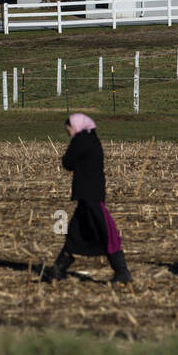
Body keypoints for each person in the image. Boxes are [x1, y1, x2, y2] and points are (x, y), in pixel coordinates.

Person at [42, 113, 132, 286]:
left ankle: (122, 271)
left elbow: (68, 162)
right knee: (77, 229)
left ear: (75, 125)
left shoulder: (81, 140)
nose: (68, 132)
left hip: (89, 193)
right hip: (92, 192)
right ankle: (58, 269)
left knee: (105, 230)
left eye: (68, 128)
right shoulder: (93, 139)